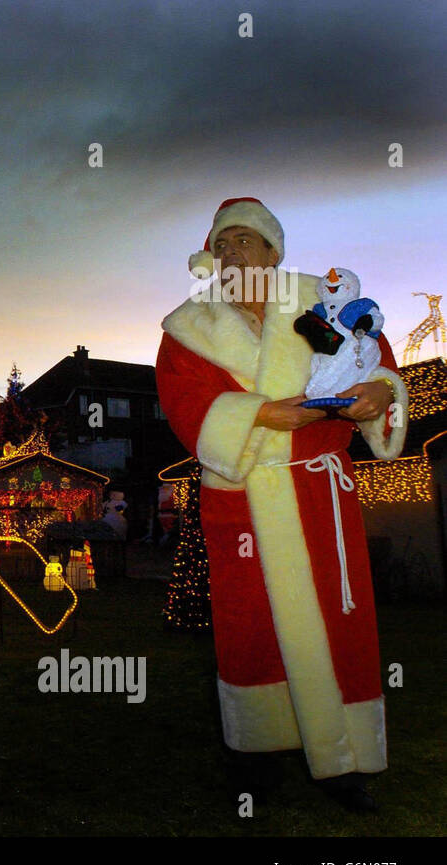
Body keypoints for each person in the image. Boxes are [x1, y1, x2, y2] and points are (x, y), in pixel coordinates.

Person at [155, 197, 408, 812]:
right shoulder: (193, 328)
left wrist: (376, 393)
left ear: (274, 251)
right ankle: (255, 760)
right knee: (251, 629)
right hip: (244, 497)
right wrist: (263, 413)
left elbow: (364, 359)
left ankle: (344, 763)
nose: (233, 252)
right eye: (223, 243)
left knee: (336, 624)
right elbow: (185, 403)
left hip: (319, 495)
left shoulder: (311, 311)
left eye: (246, 241)